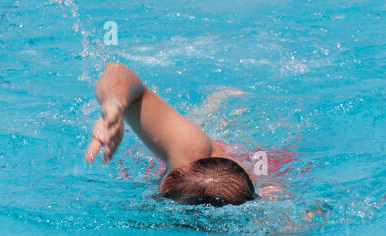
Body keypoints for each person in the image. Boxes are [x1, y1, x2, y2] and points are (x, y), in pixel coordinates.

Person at [85, 61, 266, 206]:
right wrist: (114, 105)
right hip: (217, 149)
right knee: (209, 121)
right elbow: (116, 70)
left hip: (255, 167)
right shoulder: (190, 149)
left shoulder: (260, 194)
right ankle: (226, 101)